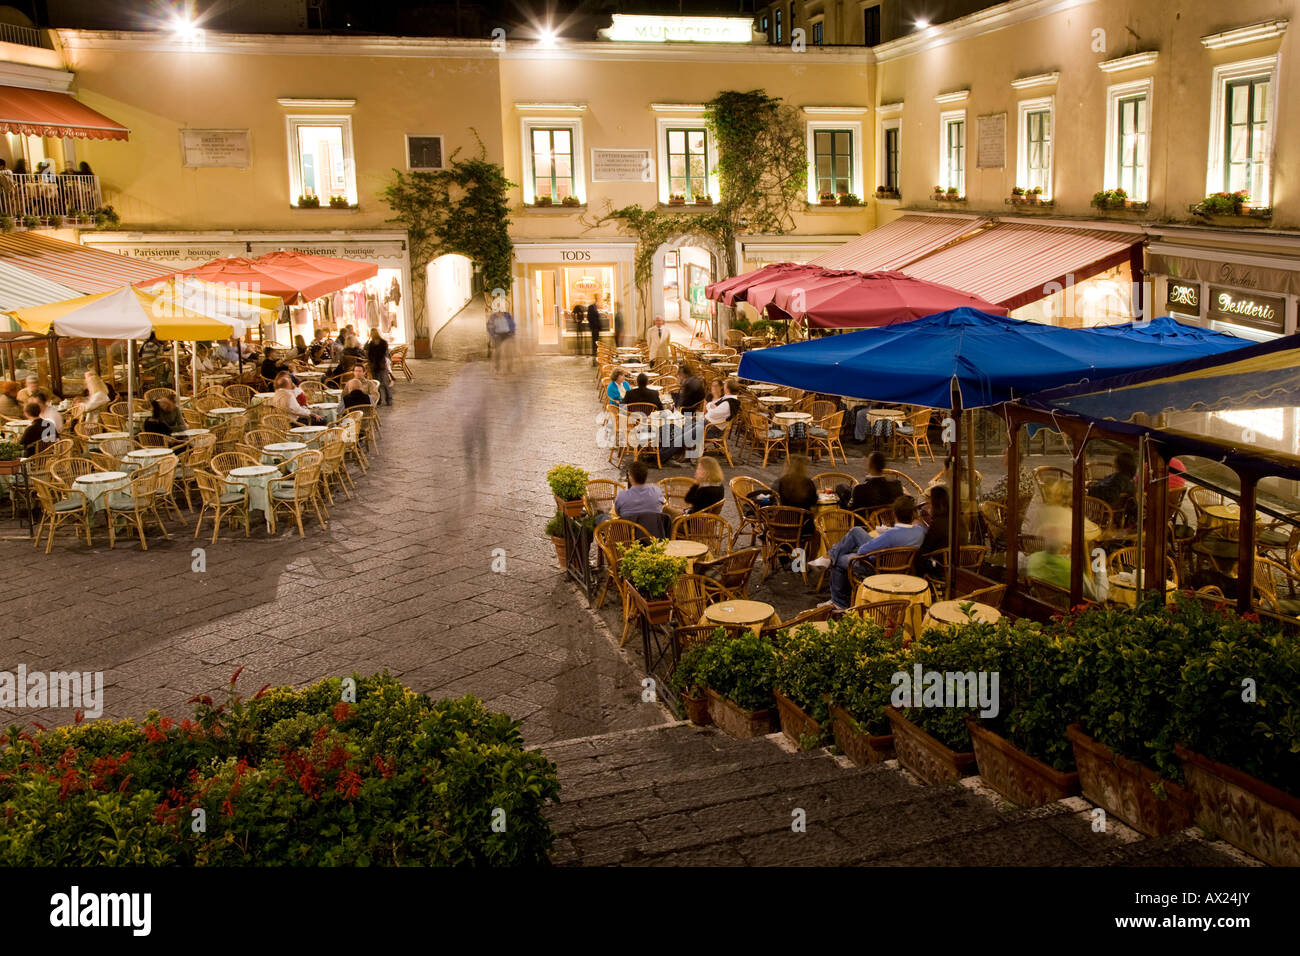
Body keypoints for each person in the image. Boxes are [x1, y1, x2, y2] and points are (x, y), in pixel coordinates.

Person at [812, 496, 928, 611]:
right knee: (856, 531)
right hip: (901, 565)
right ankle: (830, 556)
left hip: (878, 568)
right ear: (913, 514)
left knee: (840, 558)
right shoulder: (919, 531)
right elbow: (920, 526)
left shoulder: (890, 535)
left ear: (894, 513)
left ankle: (839, 601)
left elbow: (863, 550)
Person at [836, 451, 903, 513]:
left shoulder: (860, 489)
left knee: (841, 489)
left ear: (870, 465)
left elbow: (850, 509)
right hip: (888, 521)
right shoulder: (896, 485)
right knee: (844, 488)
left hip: (864, 522)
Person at [1088, 450, 1137, 517]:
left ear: (1119, 465)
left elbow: (1109, 493)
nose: (1113, 463)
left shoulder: (1118, 479)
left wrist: (1089, 488)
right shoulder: (1128, 479)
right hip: (1118, 513)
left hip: (1103, 510)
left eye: (1115, 462)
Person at [365, 329, 393, 406]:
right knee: (376, 384)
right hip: (374, 365)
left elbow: (384, 354)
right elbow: (368, 354)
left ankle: (388, 398)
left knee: (384, 382)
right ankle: (379, 399)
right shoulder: (370, 343)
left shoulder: (383, 343)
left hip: (381, 364)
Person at [586, 298, 603, 365]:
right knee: (595, 341)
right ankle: (595, 354)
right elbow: (590, 318)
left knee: (596, 341)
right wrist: (595, 325)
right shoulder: (591, 308)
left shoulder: (594, 307)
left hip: (596, 328)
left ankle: (596, 353)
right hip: (594, 328)